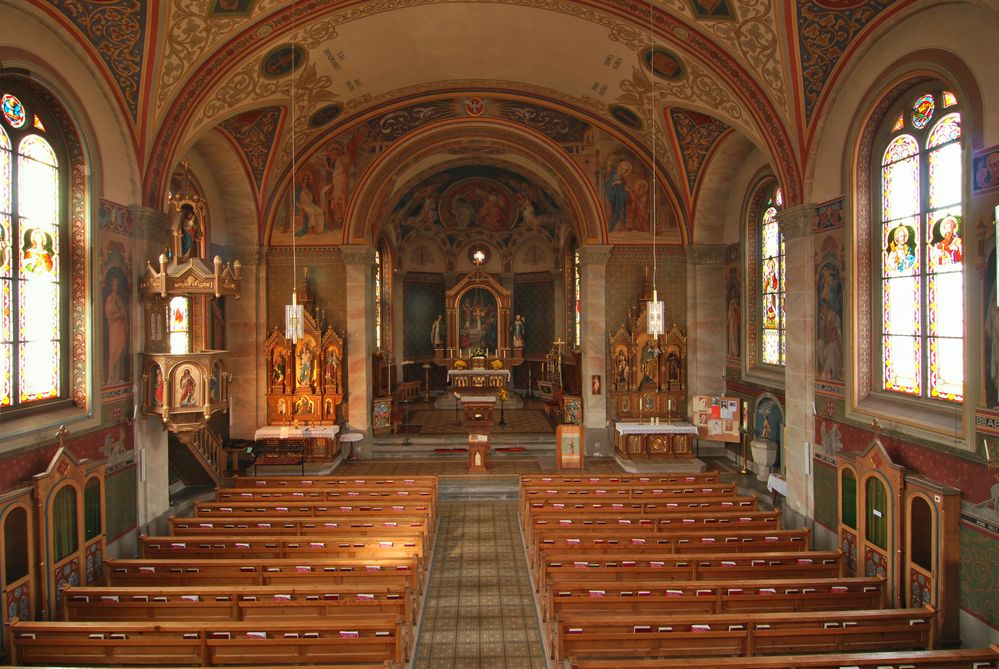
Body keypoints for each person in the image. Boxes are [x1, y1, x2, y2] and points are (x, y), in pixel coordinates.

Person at [104, 274, 128, 385]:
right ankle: (112, 377)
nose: (116, 286)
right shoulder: (110, 298)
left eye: (117, 284)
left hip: (120, 327)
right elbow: (109, 313)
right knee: (114, 352)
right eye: (114, 284)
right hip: (114, 329)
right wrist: (118, 315)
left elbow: (124, 312)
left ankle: (119, 376)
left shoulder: (119, 298)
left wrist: (123, 316)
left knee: (121, 352)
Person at [605, 159, 632, 231]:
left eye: (626, 170)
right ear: (620, 168)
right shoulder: (614, 175)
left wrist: (626, 190)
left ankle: (618, 228)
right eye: (623, 169)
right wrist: (614, 184)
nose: (624, 171)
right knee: (616, 213)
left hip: (621, 198)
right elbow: (608, 184)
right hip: (616, 198)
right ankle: (611, 228)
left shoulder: (622, 178)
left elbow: (622, 187)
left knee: (621, 213)